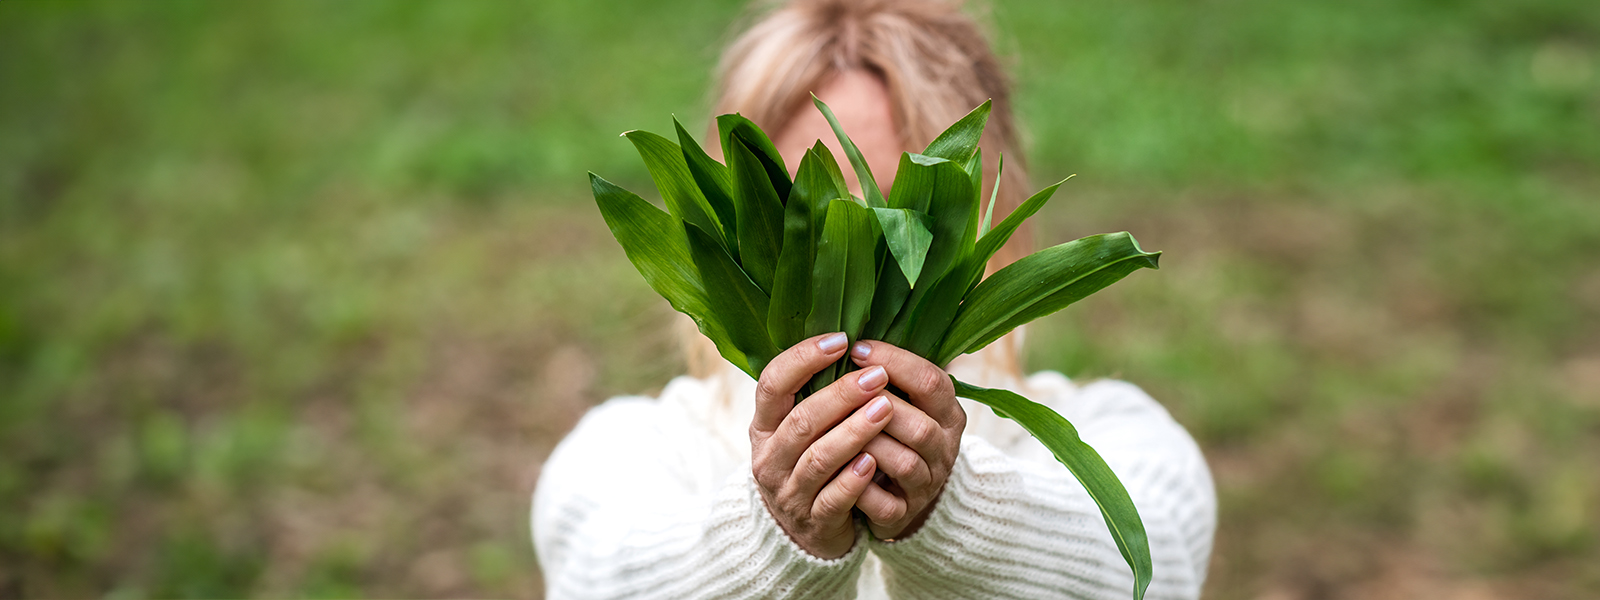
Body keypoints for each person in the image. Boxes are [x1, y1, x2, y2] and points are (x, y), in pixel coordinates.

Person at [532, 0, 1216, 597]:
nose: (852, 258)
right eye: (806, 213)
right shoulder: (629, 455)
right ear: (725, 226)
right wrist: (772, 537)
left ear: (994, 219)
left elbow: (1156, 562)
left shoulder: (1116, 436)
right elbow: (597, 571)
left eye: (903, 211)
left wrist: (953, 514)